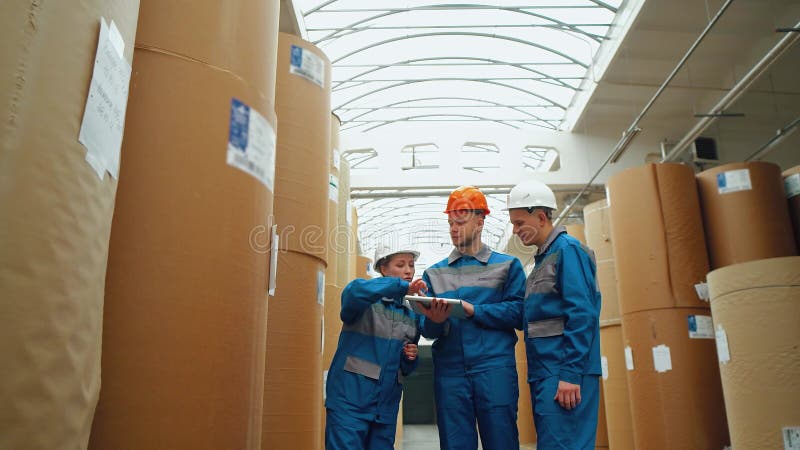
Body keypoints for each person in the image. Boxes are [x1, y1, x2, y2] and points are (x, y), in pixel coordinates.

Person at [417, 186, 526, 450]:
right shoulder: (434, 274)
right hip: (450, 371)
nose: (454, 228)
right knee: (455, 444)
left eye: (461, 221)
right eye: (450, 222)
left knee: (501, 442)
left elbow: (520, 313)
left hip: (494, 368)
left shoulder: (507, 266)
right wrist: (434, 319)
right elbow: (428, 330)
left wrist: (474, 310)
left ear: (480, 221)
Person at [505, 179, 602, 450]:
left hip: (564, 371)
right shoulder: (542, 261)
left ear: (540, 216)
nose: (516, 231)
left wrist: (570, 374)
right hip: (546, 371)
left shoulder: (567, 250)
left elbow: (582, 314)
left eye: (519, 223)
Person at [324, 244, 428, 450]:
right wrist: (399, 286)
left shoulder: (411, 314)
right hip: (350, 403)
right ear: (383, 268)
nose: (408, 270)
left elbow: (405, 369)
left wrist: (410, 358)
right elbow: (352, 293)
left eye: (411, 265)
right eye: (400, 264)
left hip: (385, 410)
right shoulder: (363, 299)